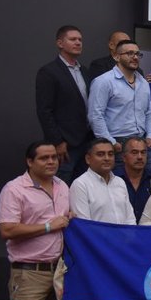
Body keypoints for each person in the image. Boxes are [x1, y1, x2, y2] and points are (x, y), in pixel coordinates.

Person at [0, 142, 71, 300]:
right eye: (44, 158)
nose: (51, 162)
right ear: (29, 162)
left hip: (57, 271)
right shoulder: (14, 189)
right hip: (29, 273)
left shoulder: (62, 185)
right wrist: (48, 226)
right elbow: (7, 229)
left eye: (54, 157)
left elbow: (63, 219)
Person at [35, 24, 93, 184]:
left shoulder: (84, 71)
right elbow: (44, 111)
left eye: (80, 39)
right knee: (61, 185)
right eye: (73, 39)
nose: (78, 43)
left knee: (82, 186)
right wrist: (57, 142)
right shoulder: (49, 71)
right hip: (65, 145)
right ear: (60, 43)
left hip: (86, 141)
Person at [87, 39, 151, 159]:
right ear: (116, 57)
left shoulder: (143, 83)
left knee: (149, 177)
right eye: (129, 53)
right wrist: (111, 143)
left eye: (138, 54)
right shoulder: (103, 81)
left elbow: (149, 112)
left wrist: (150, 135)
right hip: (117, 143)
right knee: (119, 178)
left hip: (141, 142)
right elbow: (95, 115)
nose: (135, 57)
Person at [69, 139, 135, 224]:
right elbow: (84, 225)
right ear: (88, 159)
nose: (107, 158)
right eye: (100, 154)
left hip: (124, 236)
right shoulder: (80, 184)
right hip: (95, 237)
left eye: (110, 154)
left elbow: (130, 218)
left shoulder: (120, 182)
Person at [117, 137, 151, 222]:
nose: (140, 157)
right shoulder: (114, 179)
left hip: (149, 231)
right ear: (124, 157)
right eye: (134, 152)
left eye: (143, 152)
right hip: (121, 231)